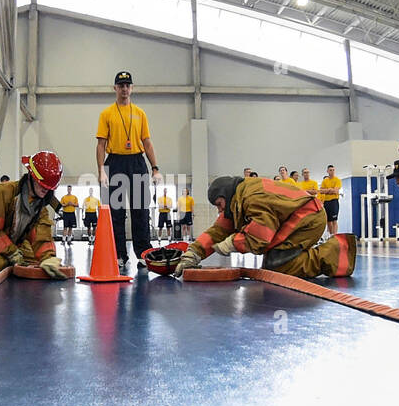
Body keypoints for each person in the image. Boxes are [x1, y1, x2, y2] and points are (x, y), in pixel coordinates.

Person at [174, 175, 356, 279]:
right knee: (273, 262)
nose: (219, 209)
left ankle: (336, 252)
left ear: (226, 195)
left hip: (308, 218)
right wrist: (194, 252)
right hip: (301, 216)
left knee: (278, 266)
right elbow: (218, 230)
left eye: (219, 204)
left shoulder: (252, 197)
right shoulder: (239, 197)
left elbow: (260, 236)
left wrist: (231, 244)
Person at [0, 150, 67, 278]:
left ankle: (3, 254)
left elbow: (42, 236)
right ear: (31, 177)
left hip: (6, 239)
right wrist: (12, 253)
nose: (45, 191)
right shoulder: (1, 192)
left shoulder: (39, 207)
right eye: (42, 185)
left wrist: (48, 257)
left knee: (34, 261)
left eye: (49, 188)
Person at [96, 71, 161, 272]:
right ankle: (119, 255)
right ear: (114, 88)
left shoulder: (140, 113)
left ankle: (143, 253)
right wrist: (101, 170)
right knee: (116, 212)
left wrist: (155, 168)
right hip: (114, 163)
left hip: (137, 162)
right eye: (120, 85)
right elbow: (101, 144)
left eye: (127, 85)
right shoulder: (106, 114)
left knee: (140, 210)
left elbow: (147, 142)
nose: (124, 89)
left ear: (132, 88)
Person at [318, 165, 342, 234]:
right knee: (328, 221)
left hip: (334, 202)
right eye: (330, 170)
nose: (332, 171)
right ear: (327, 171)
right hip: (326, 202)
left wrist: (328, 190)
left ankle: (334, 235)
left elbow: (335, 191)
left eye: (333, 170)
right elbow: (321, 191)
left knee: (334, 220)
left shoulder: (337, 180)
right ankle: (331, 235)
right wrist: (330, 190)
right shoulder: (325, 181)